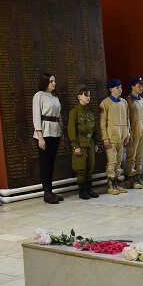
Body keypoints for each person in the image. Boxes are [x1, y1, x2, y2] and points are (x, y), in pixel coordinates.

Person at [32, 73, 63, 204]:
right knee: (45, 164)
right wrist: (40, 137)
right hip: (44, 133)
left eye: (54, 81)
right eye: (51, 81)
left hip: (55, 132)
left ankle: (50, 191)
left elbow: (59, 116)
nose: (54, 83)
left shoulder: (55, 97)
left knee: (51, 164)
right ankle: (46, 193)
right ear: (45, 82)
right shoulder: (39, 95)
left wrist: (62, 135)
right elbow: (36, 116)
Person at [99, 78, 131, 195]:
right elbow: (103, 123)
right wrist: (105, 138)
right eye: (117, 88)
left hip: (121, 137)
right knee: (112, 162)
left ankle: (117, 183)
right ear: (111, 89)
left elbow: (127, 119)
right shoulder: (105, 103)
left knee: (118, 162)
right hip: (111, 138)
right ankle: (111, 184)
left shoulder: (124, 102)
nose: (120, 89)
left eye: (121, 87)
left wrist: (127, 133)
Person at [67, 86, 99, 200]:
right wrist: (75, 145)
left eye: (89, 95)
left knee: (90, 167)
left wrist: (95, 143)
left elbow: (94, 129)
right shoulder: (74, 112)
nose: (88, 97)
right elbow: (71, 130)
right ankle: (82, 191)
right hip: (80, 143)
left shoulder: (90, 112)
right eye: (86, 95)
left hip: (90, 143)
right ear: (79, 96)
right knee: (81, 169)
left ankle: (89, 189)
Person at [125, 77, 143, 190]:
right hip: (134, 132)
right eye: (138, 85)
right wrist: (129, 132)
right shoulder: (129, 100)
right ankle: (131, 178)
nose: (141, 88)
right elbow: (127, 119)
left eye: (142, 85)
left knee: (140, 156)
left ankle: (139, 177)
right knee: (132, 157)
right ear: (132, 86)